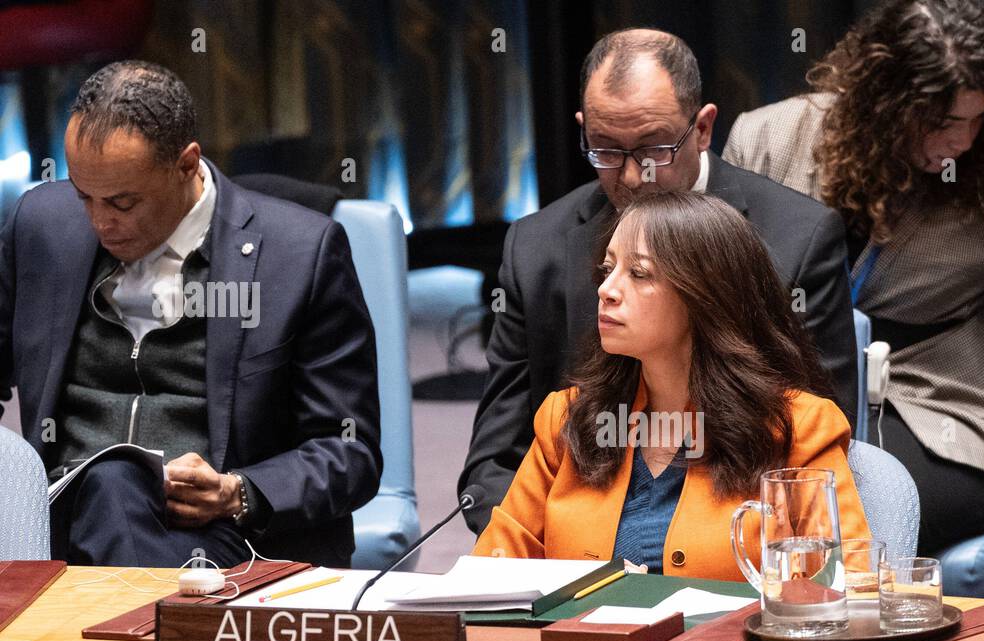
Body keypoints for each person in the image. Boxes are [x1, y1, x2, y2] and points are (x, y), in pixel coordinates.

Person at [723, 0, 984, 555]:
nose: (964, 141)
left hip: (942, 406)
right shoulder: (768, 140)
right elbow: (718, 292)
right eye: (945, 122)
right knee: (750, 493)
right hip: (785, 395)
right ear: (884, 102)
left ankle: (859, 639)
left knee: (853, 501)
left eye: (978, 119)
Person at [458, 28, 858, 534]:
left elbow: (815, 449)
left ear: (704, 128)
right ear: (583, 131)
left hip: (732, 528)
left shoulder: (796, 239)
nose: (630, 176)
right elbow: (494, 460)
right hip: (577, 538)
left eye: (653, 150)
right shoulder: (535, 248)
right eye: (605, 150)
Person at [0, 61, 382, 567]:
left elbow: (348, 451)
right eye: (83, 196)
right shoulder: (41, 225)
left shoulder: (298, 255)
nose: (99, 222)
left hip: (214, 538)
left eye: (122, 202)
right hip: (55, 522)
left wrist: (237, 491)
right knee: (104, 488)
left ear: (186, 165)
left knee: (115, 486)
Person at [473, 191, 869, 579]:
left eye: (639, 273)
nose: (605, 290)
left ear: (706, 298)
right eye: (607, 269)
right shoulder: (567, 418)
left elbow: (847, 584)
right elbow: (495, 572)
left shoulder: (799, 428)